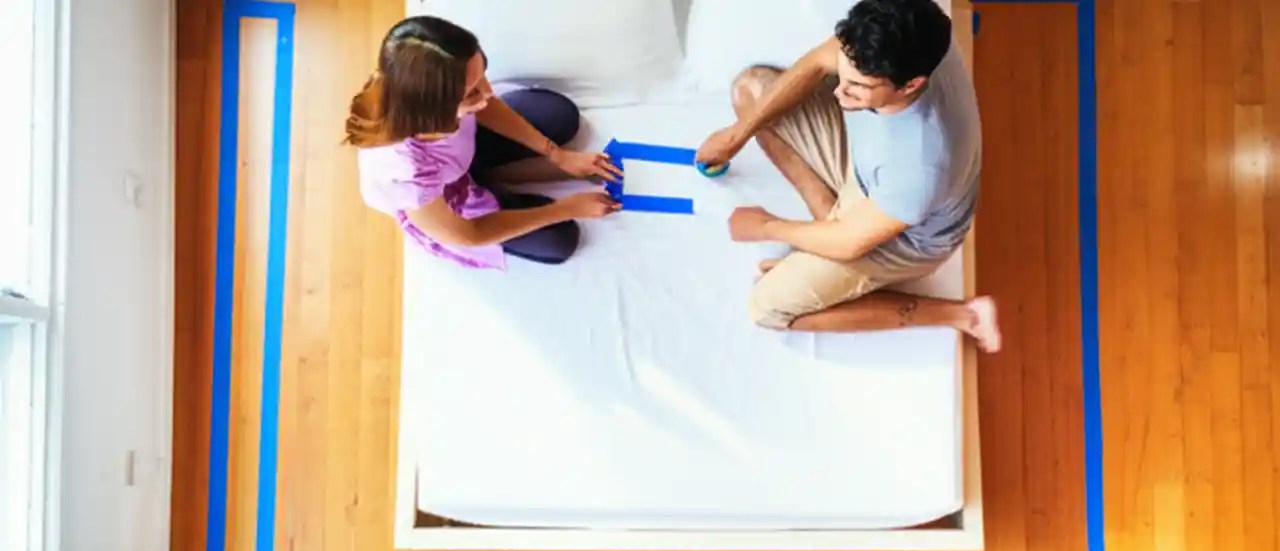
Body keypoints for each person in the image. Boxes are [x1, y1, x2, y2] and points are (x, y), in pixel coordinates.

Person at [696, 0, 1001, 352]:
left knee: (767, 308)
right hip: (867, 168)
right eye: (844, 72)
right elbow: (816, 62)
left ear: (910, 85)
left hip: (903, 237)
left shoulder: (921, 165)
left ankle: (962, 315)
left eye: (858, 86)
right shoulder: (894, 27)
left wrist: (766, 226)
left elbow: (849, 242)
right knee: (751, 90)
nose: (839, 92)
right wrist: (736, 136)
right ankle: (826, 214)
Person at [346, 16, 624, 270]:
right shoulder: (406, 176)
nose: (488, 93)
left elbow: (487, 105)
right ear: (437, 109)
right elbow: (469, 233)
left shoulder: (446, 76)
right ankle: (491, 182)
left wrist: (555, 154)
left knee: (560, 115)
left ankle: (493, 173)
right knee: (559, 241)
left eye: (483, 76)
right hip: (450, 197)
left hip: (465, 147)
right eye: (472, 93)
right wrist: (566, 208)